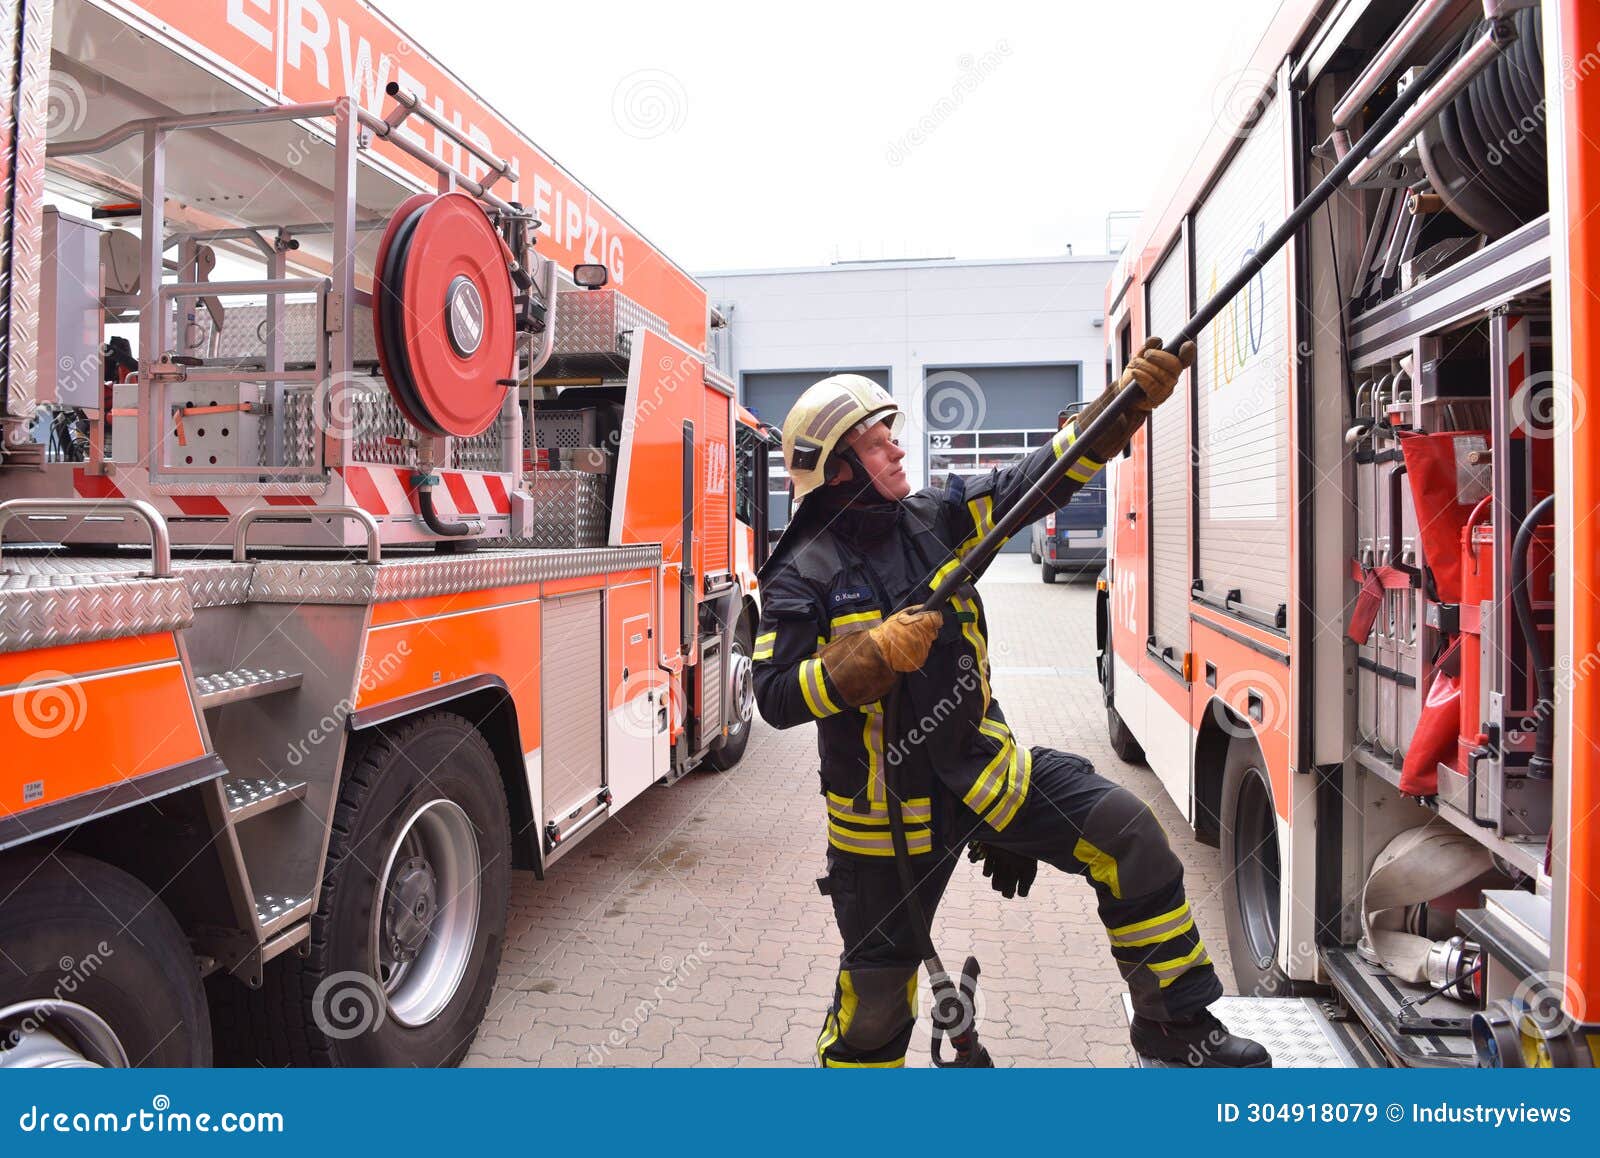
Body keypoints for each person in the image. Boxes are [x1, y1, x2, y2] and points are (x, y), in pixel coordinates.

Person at [753, 344, 1270, 1068]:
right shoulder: (799, 571)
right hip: (883, 826)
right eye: (877, 444)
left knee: (1130, 836)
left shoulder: (936, 518)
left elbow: (1035, 483)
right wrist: (862, 660)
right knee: (874, 1008)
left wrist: (1120, 409)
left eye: (893, 435)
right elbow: (773, 696)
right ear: (838, 469)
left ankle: (1173, 1026)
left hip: (986, 778)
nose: (899, 450)